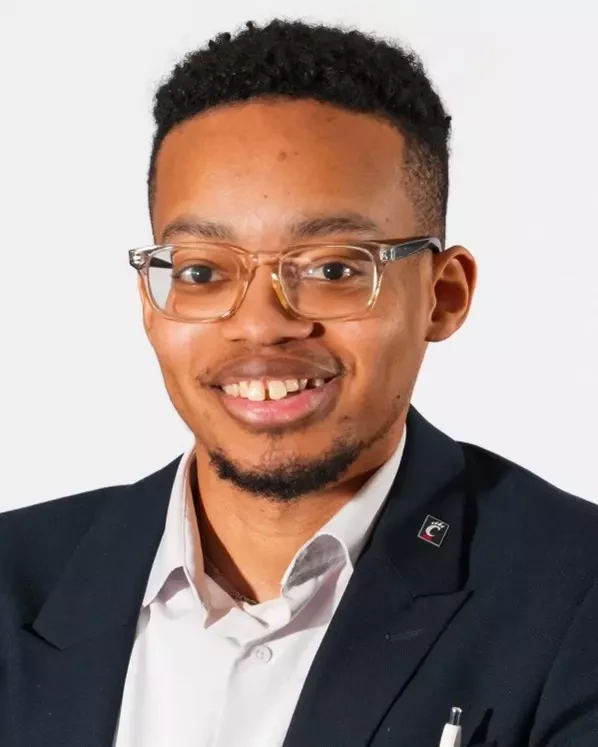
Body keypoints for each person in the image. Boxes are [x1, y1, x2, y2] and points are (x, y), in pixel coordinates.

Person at [1, 18, 597, 747]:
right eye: (201, 271)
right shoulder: (14, 579)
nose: (260, 325)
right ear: (152, 304)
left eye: (334, 268)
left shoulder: (574, 599)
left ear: (443, 296)